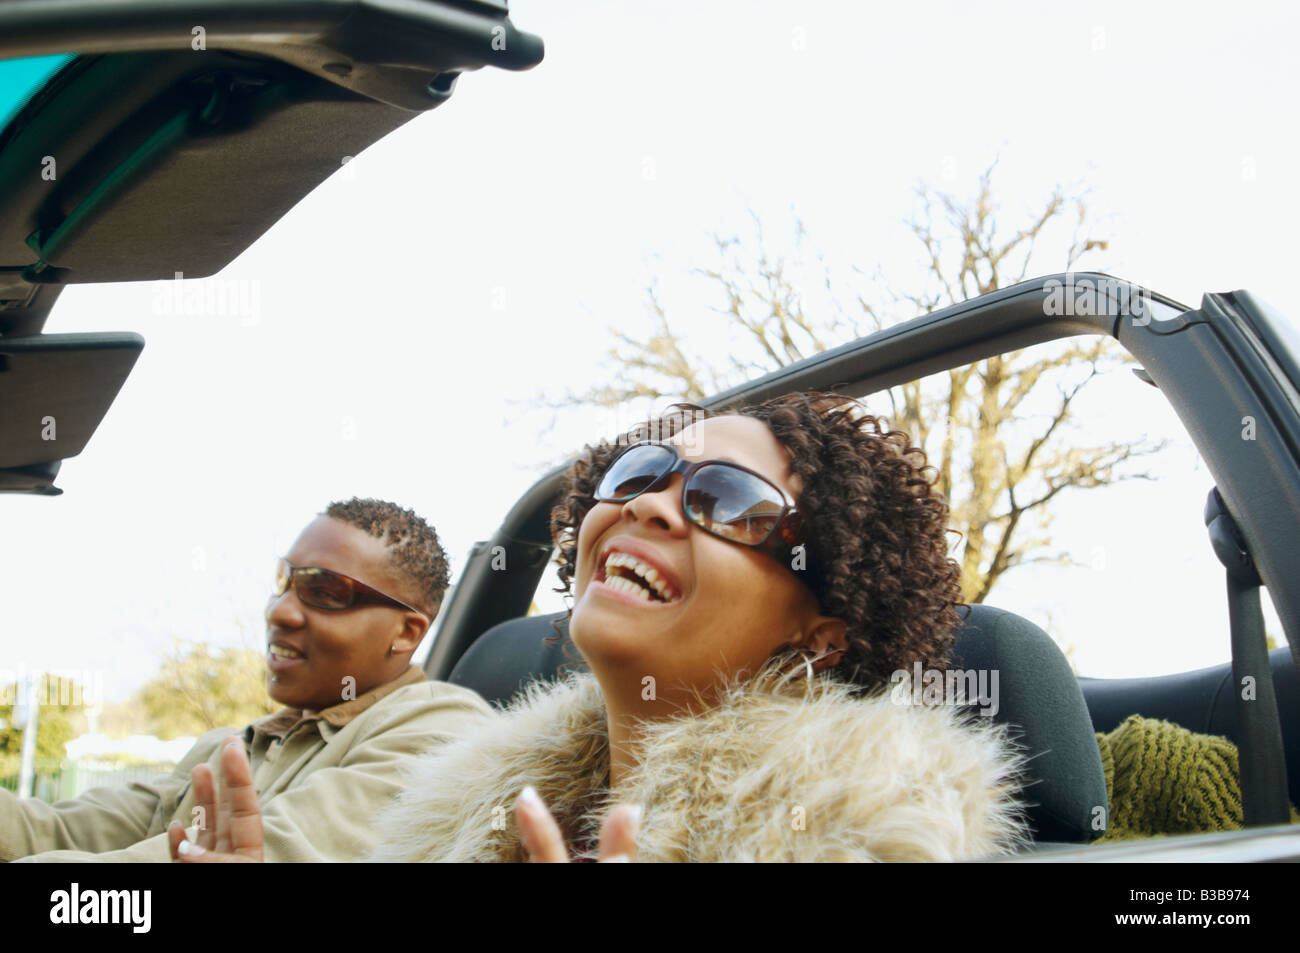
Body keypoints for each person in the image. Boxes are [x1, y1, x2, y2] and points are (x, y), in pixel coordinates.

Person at [174, 394, 1031, 863]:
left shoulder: (856, 833)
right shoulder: (452, 816)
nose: (651, 504)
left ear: (823, 630)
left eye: (726, 501)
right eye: (642, 471)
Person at [3, 498, 492, 862]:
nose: (279, 611)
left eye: (323, 591)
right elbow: (58, 830)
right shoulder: (235, 745)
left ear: (405, 633)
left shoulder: (440, 732)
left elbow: (271, 850)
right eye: (285, 581)